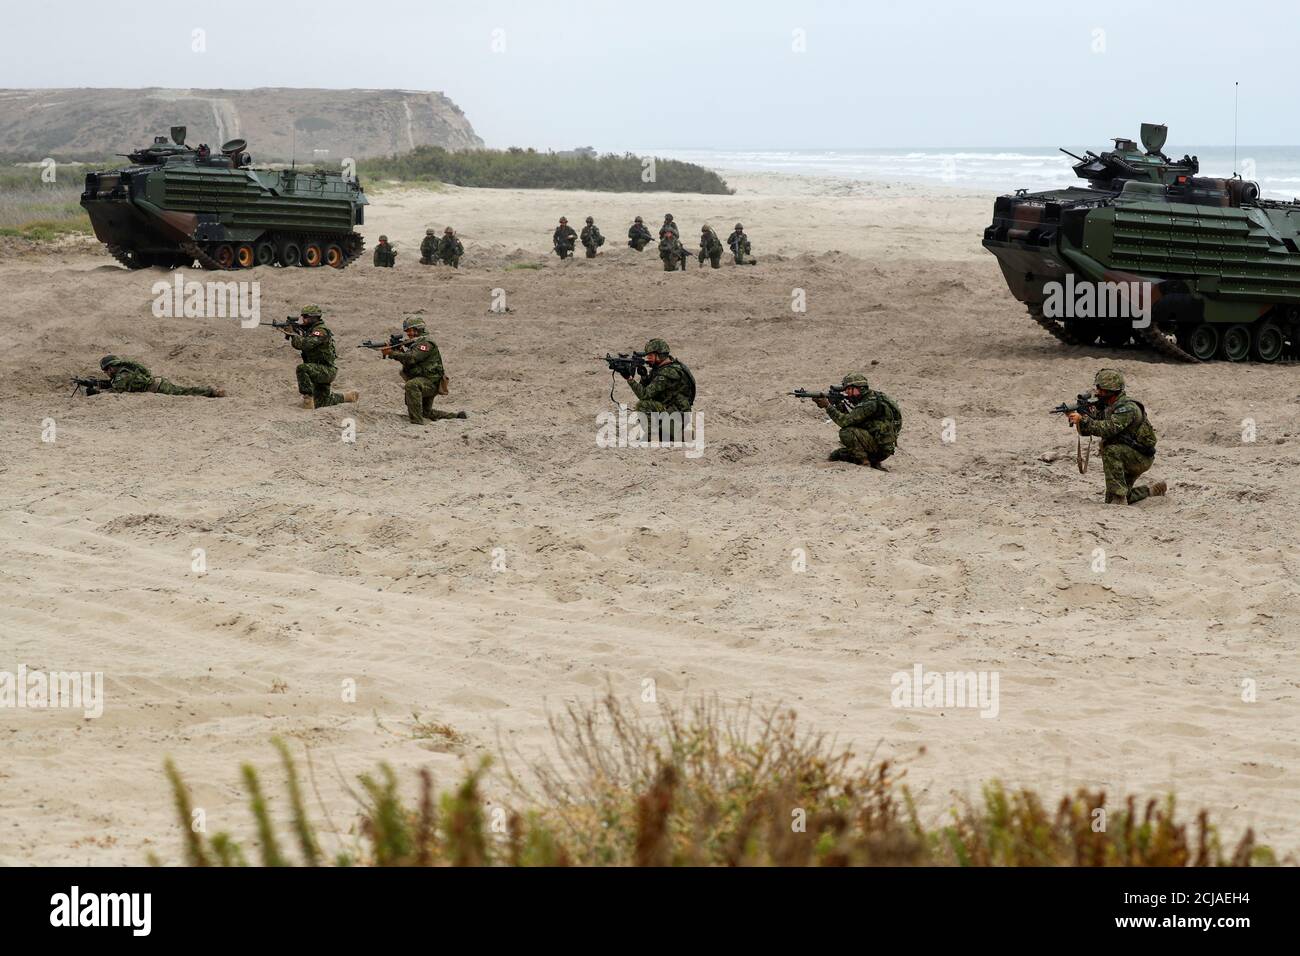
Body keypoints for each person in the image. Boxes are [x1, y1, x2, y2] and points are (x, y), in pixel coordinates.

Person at [1066, 368, 1167, 504]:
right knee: (1111, 499)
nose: (1098, 392)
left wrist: (1083, 419)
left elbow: (1107, 429)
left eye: (1101, 390)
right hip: (1128, 453)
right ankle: (1149, 491)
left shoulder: (1127, 408)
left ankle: (1119, 499)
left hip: (1139, 456)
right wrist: (1079, 418)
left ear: (1111, 391)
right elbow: (1089, 430)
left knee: (1110, 451)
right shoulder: (1108, 405)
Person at [382, 316, 467, 425]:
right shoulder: (416, 343)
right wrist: (399, 351)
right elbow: (409, 362)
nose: (408, 333)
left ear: (418, 329)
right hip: (425, 380)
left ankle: (416, 422)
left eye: (410, 330)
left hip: (431, 382)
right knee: (426, 413)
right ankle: (456, 417)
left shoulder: (426, 343)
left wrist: (392, 353)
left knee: (412, 385)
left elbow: (412, 358)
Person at [812, 371, 902, 469]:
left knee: (846, 432)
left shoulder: (870, 403)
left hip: (880, 449)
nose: (847, 392)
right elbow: (854, 419)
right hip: (878, 443)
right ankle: (875, 464)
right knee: (836, 455)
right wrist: (838, 404)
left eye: (850, 389)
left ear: (860, 388)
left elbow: (845, 422)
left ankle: (864, 462)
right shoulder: (873, 397)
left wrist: (828, 406)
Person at [288, 305, 359, 409]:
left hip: (325, 370)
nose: (304, 319)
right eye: (303, 316)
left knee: (302, 369)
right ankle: (347, 397)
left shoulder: (320, 331)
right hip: (319, 370)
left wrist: (293, 334)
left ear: (314, 317)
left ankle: (307, 399)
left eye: (306, 317)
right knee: (322, 402)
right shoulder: (310, 330)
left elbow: (304, 344)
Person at [619, 338, 694, 415]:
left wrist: (629, 378)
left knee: (642, 406)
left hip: (678, 415)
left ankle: (660, 427)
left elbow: (644, 395)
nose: (648, 358)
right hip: (675, 409)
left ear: (660, 355)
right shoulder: (668, 366)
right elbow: (650, 388)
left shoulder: (667, 373)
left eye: (650, 355)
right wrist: (644, 377)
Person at [97, 355, 225, 397]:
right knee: (184, 391)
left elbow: (116, 389)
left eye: (106, 371)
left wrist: (96, 391)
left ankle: (212, 392)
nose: (106, 374)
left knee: (185, 392)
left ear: (111, 368)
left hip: (159, 387)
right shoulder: (122, 373)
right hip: (158, 384)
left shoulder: (122, 376)